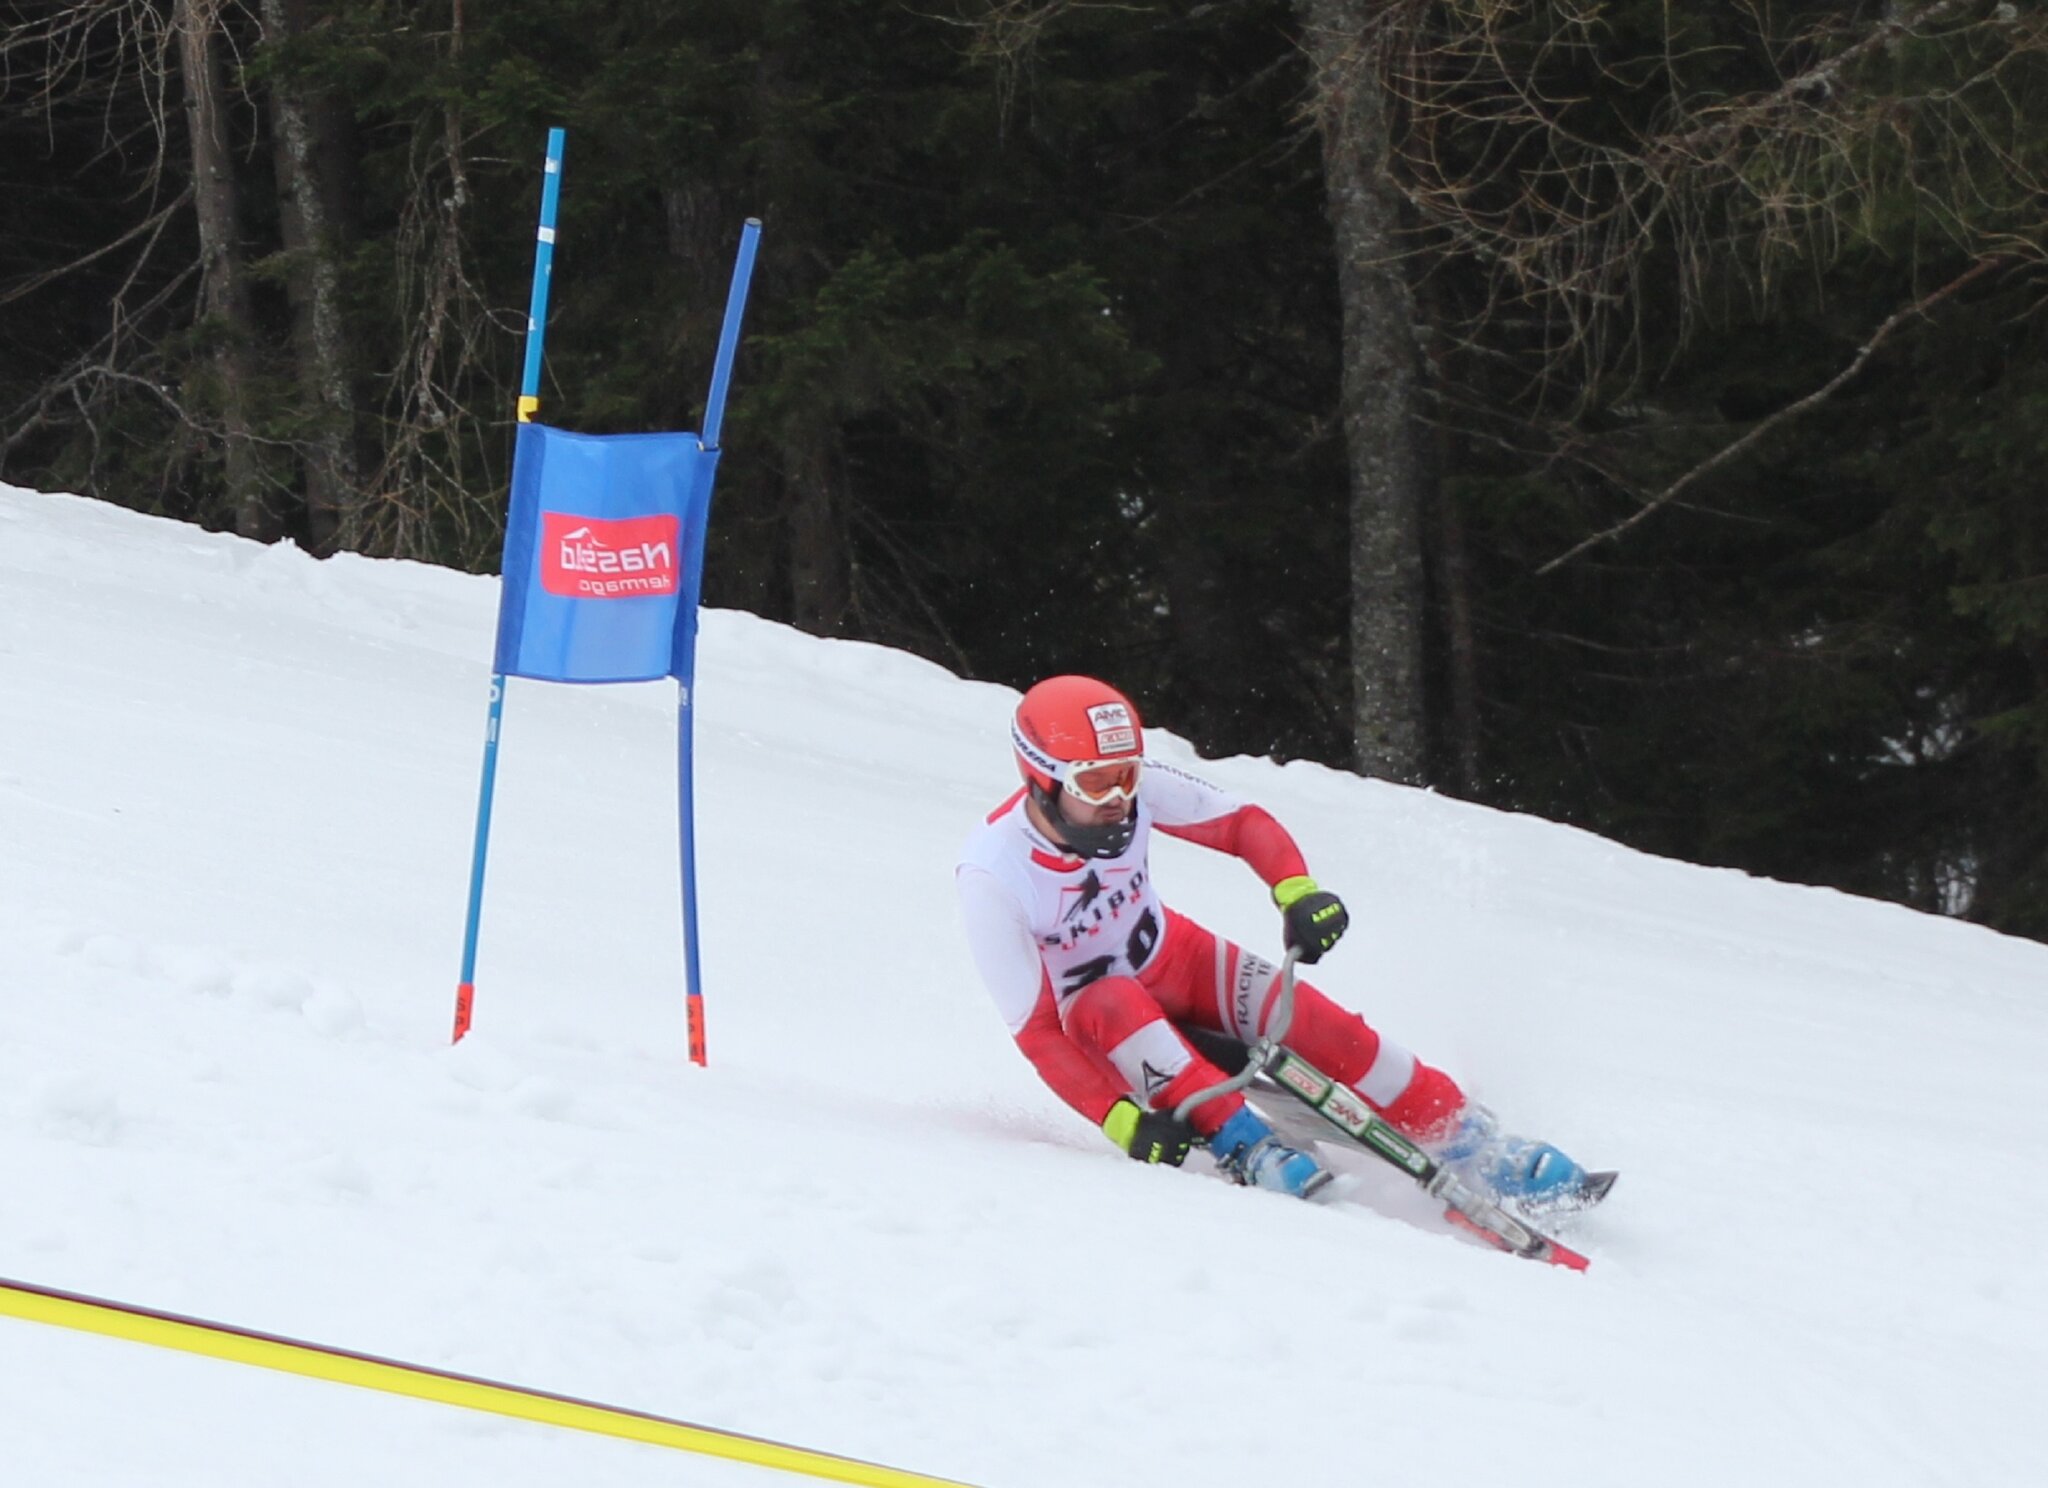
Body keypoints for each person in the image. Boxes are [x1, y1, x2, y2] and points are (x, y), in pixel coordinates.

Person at [955, 674, 1592, 1203]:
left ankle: (1466, 1136)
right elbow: (1038, 1030)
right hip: (1103, 1024)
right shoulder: (994, 872)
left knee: (1315, 1024)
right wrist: (1122, 1123)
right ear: (1041, 777)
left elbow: (1239, 822)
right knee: (1108, 1000)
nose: (1120, 798)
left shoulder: (1130, 793)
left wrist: (1296, 891)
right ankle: (1246, 1145)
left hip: (1177, 958)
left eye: (1128, 775)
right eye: (1096, 784)